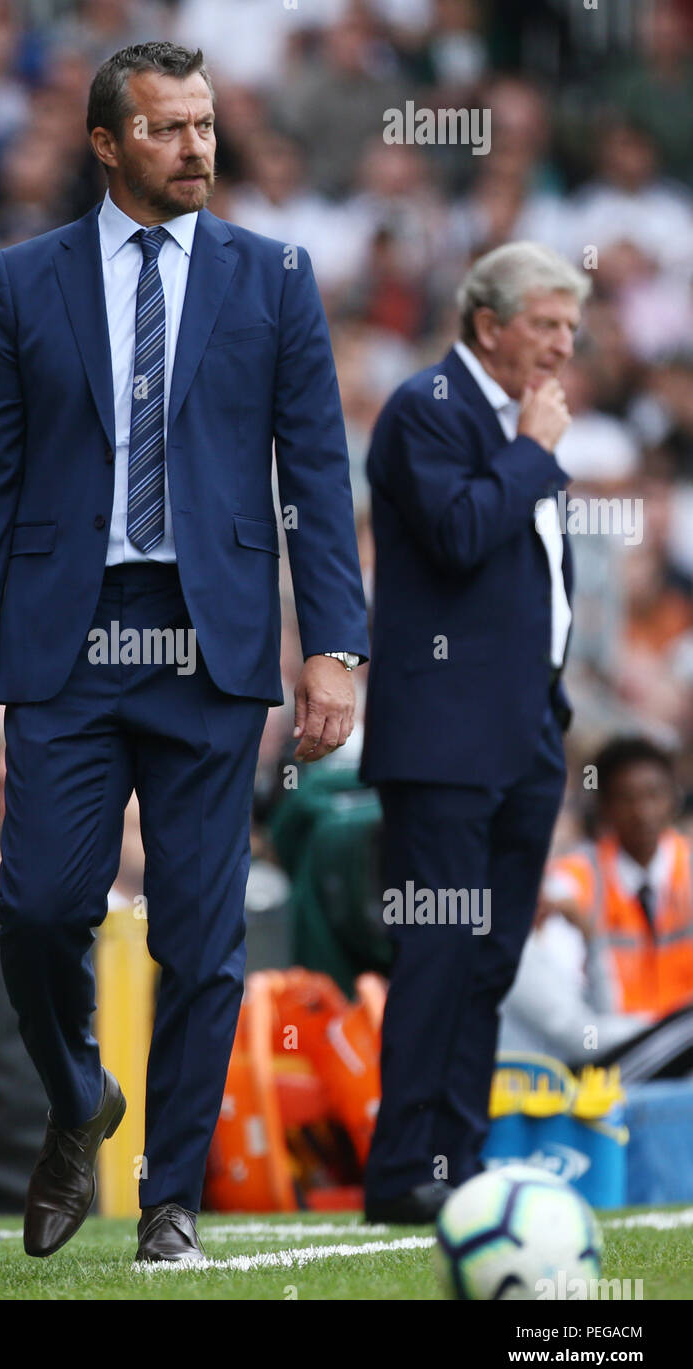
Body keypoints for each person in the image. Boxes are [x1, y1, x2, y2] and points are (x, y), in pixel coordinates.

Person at [0, 42, 367, 1263]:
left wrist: (333, 643)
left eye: (207, 124)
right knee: (36, 911)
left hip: (211, 641)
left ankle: (169, 1197)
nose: (197, 148)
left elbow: (315, 475)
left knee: (201, 932)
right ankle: (81, 1098)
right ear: (107, 142)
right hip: (64, 641)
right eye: (169, 128)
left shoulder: (275, 277)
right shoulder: (21, 281)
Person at [360, 241, 590, 1224]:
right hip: (446, 735)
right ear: (487, 323)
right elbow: (456, 535)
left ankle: (457, 1159)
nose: (561, 345)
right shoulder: (431, 408)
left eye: (570, 328)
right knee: (440, 948)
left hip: (525, 726)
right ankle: (402, 1165)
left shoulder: (515, 423)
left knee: (492, 956)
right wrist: (533, 452)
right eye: (544, 324)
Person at [500, 735, 693, 1074]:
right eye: (626, 798)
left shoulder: (687, 868)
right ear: (603, 806)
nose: (643, 812)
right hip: (623, 1056)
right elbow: (579, 1033)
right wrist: (663, 1032)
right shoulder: (567, 883)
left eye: (654, 795)